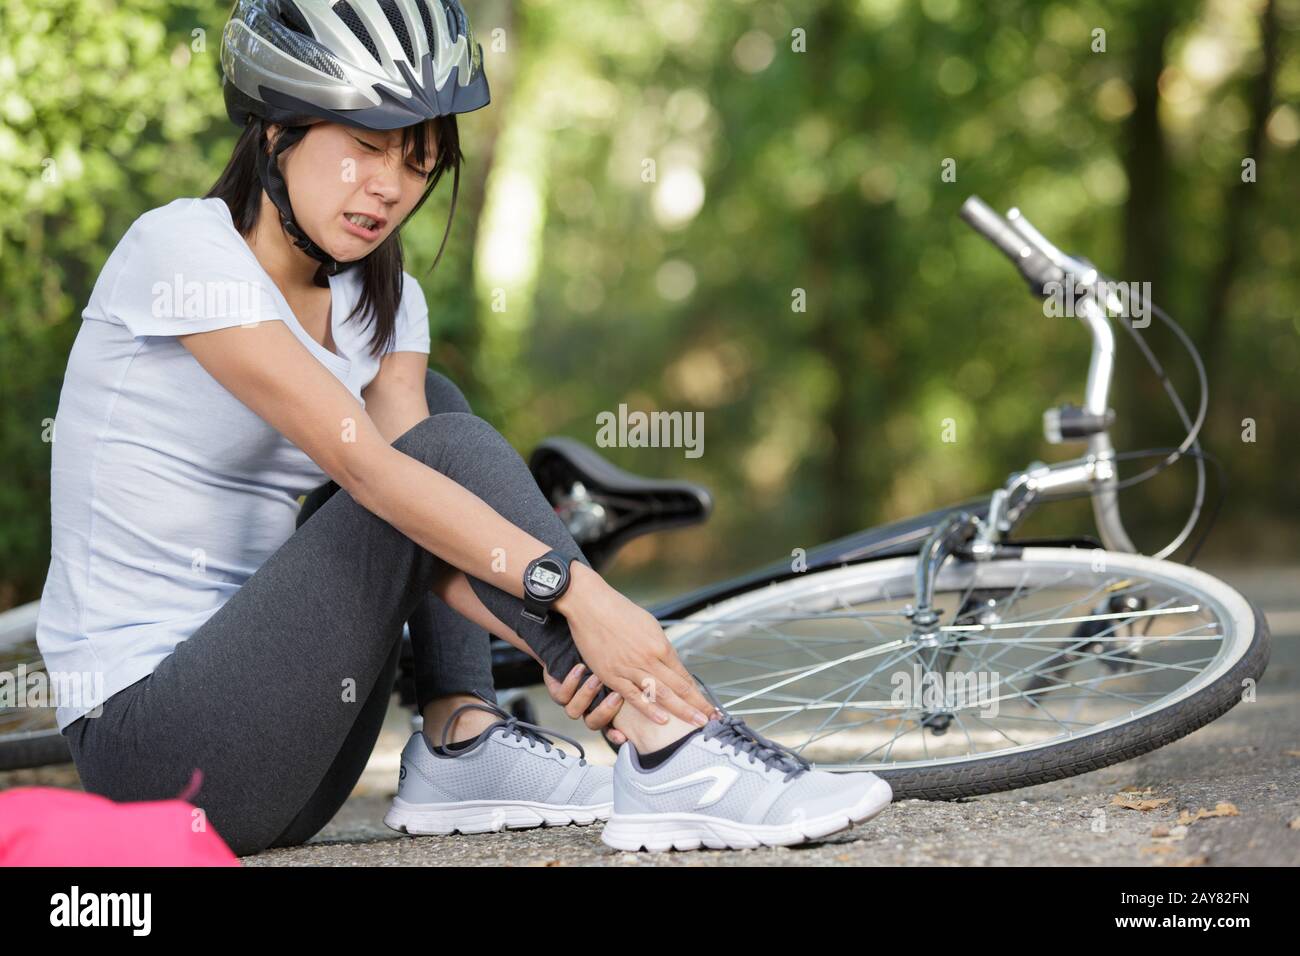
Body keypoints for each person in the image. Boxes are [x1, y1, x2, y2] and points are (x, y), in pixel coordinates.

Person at [35, 0, 891, 856]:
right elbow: (370, 471)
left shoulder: (384, 301)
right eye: (364, 147)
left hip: (296, 758)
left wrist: (572, 656)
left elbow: (430, 534)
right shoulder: (182, 251)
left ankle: (463, 734)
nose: (389, 188)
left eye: (418, 163)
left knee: (434, 413)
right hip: (156, 751)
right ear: (276, 132)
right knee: (426, 454)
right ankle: (669, 738)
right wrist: (580, 601)